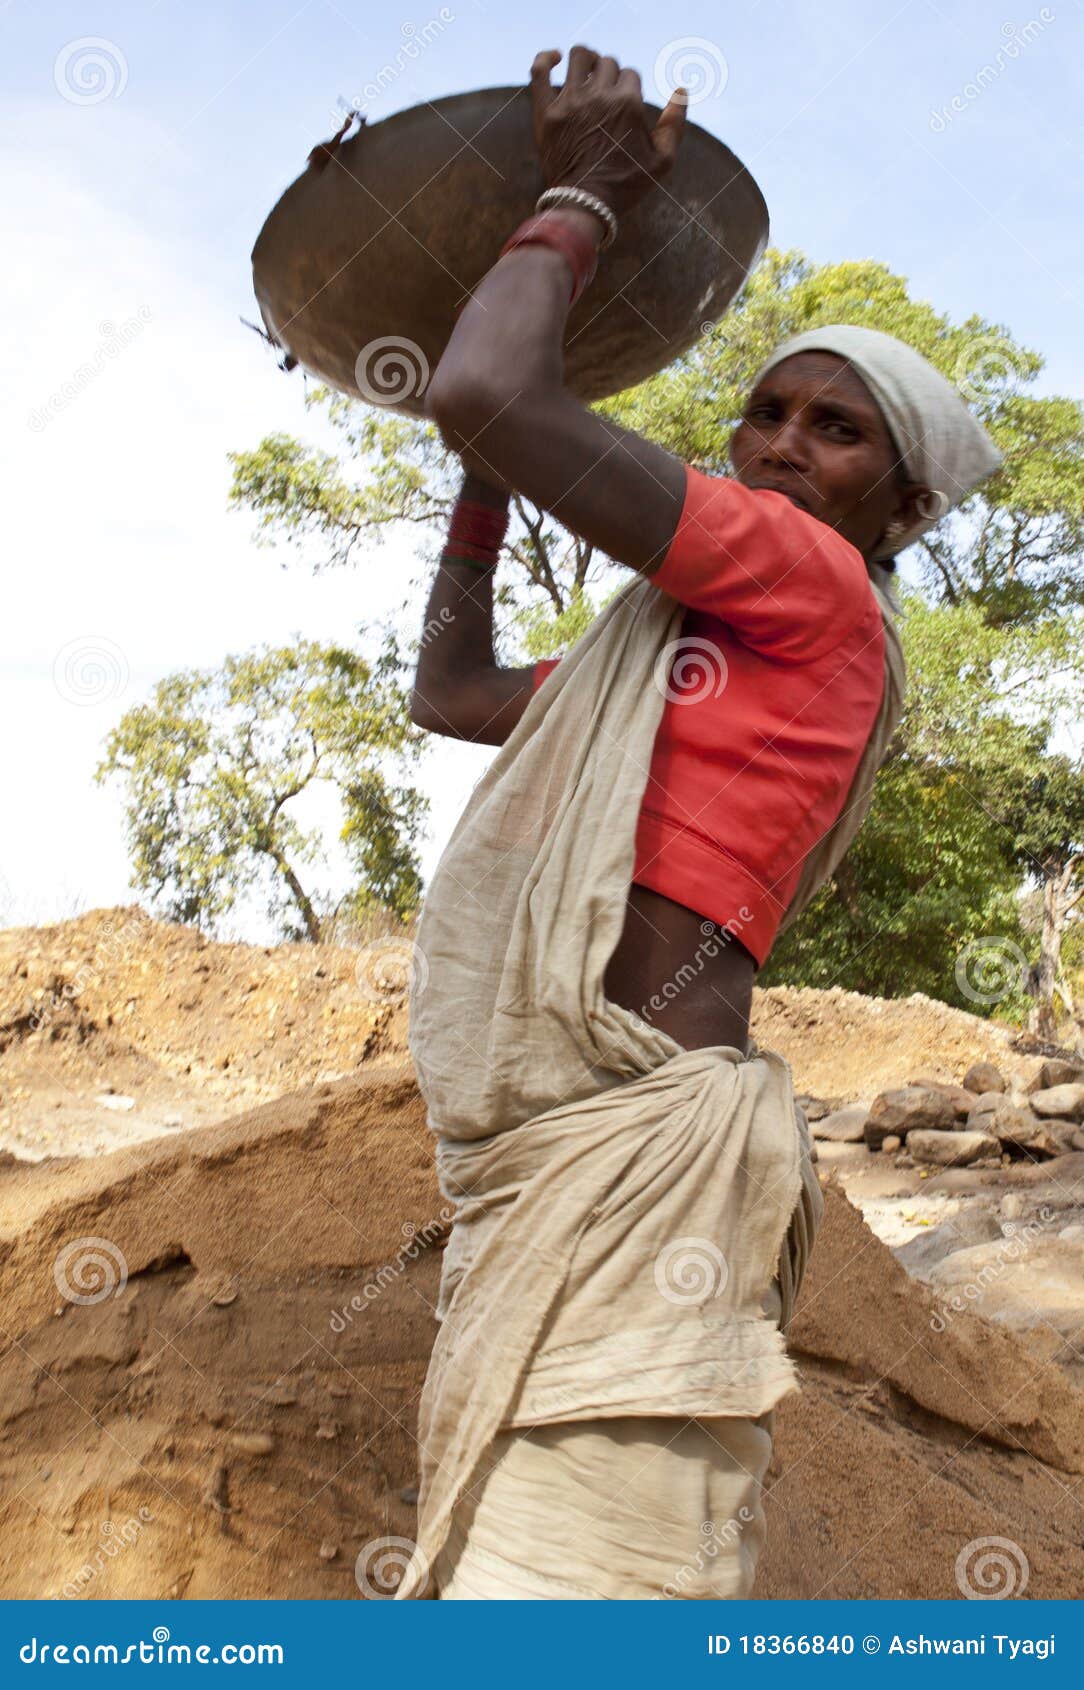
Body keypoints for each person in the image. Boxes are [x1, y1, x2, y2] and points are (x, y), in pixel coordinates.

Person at [395, 46, 1002, 1601]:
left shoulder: (809, 590)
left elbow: (486, 380)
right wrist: (481, 493)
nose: (787, 443)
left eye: (836, 431)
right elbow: (454, 689)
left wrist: (585, 185)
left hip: (637, 1147)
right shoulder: (678, 649)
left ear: (899, 509)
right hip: (559, 1159)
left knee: (571, 1597)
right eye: (767, 411)